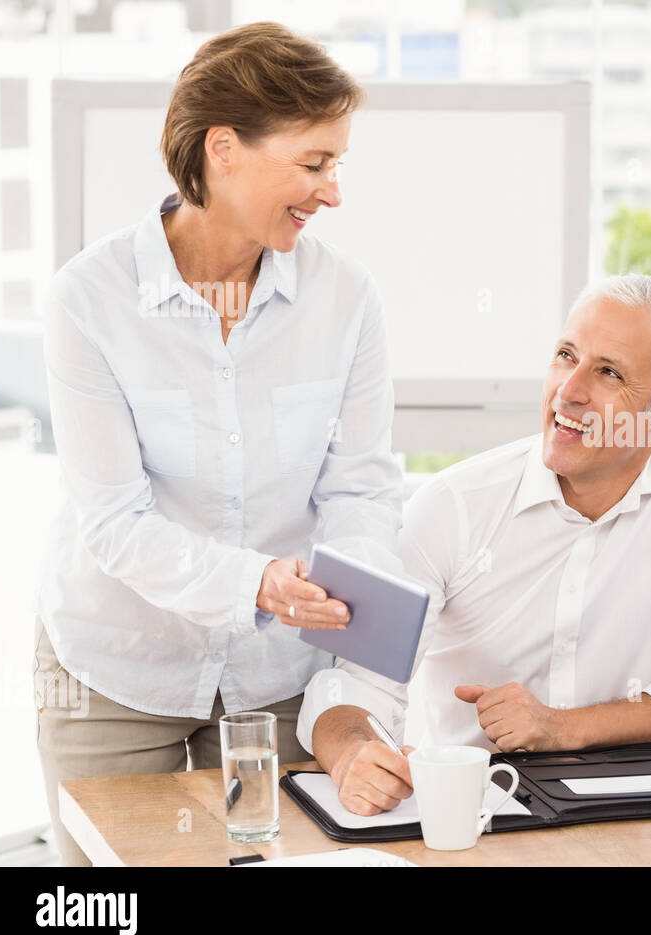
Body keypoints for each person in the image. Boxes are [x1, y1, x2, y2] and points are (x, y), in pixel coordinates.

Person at [36, 22, 402, 864]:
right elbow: (115, 520)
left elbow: (363, 487)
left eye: (337, 165)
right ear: (225, 149)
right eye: (314, 164)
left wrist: (347, 598)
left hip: (277, 676)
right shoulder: (89, 300)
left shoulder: (346, 299)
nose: (332, 192)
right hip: (115, 667)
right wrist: (260, 582)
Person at [298, 274, 651, 815]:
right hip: (481, 814)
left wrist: (563, 728)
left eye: (609, 373)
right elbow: (352, 681)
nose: (568, 391)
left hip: (635, 809)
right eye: (566, 355)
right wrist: (353, 753)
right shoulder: (449, 503)